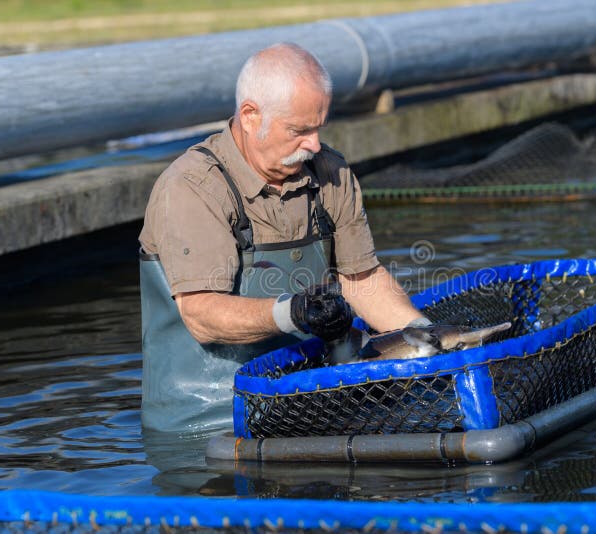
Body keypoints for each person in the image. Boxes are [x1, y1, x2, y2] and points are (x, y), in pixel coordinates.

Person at [138, 43, 428, 434]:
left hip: (306, 405)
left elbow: (362, 281)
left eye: (318, 127)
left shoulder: (330, 171)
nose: (313, 144)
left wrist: (429, 338)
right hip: (208, 423)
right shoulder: (192, 186)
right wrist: (293, 313)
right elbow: (202, 316)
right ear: (250, 116)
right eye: (298, 130)